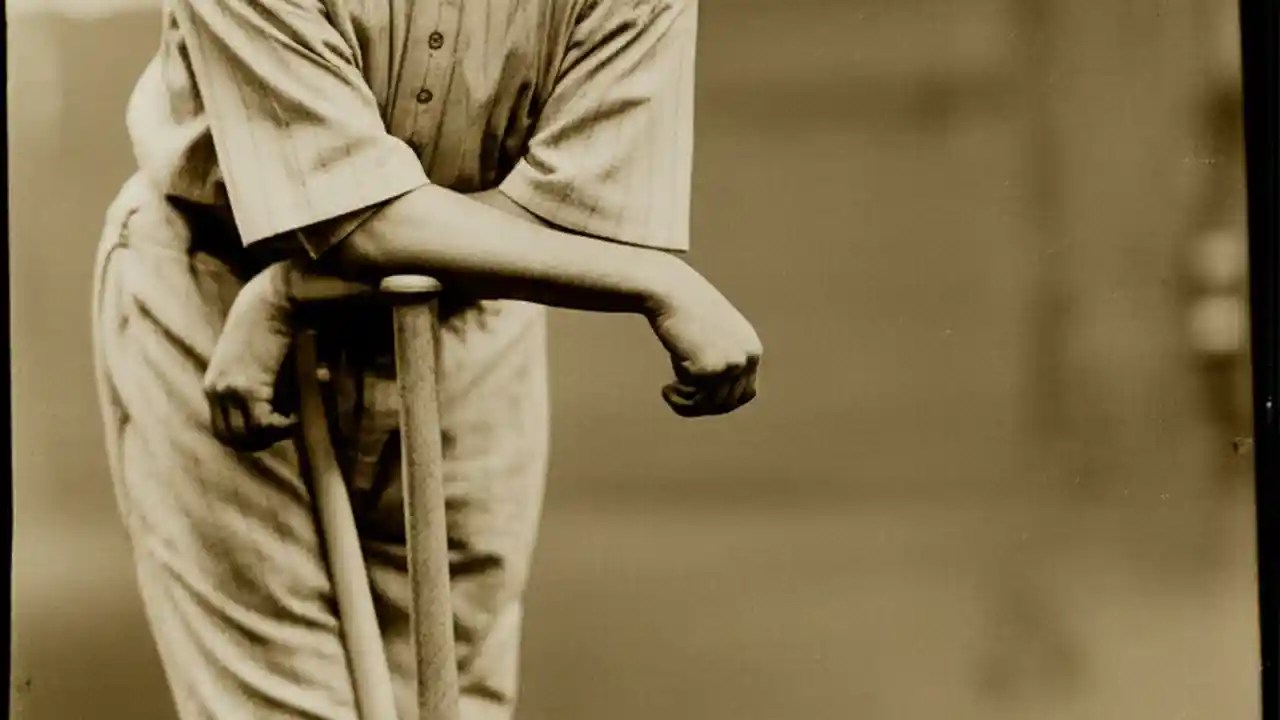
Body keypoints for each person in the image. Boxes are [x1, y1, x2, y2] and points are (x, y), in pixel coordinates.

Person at [90, 1, 761, 718]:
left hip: (470, 318)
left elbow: (565, 225)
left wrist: (294, 291)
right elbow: (347, 218)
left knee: (449, 706)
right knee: (284, 711)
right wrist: (656, 281)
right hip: (215, 292)